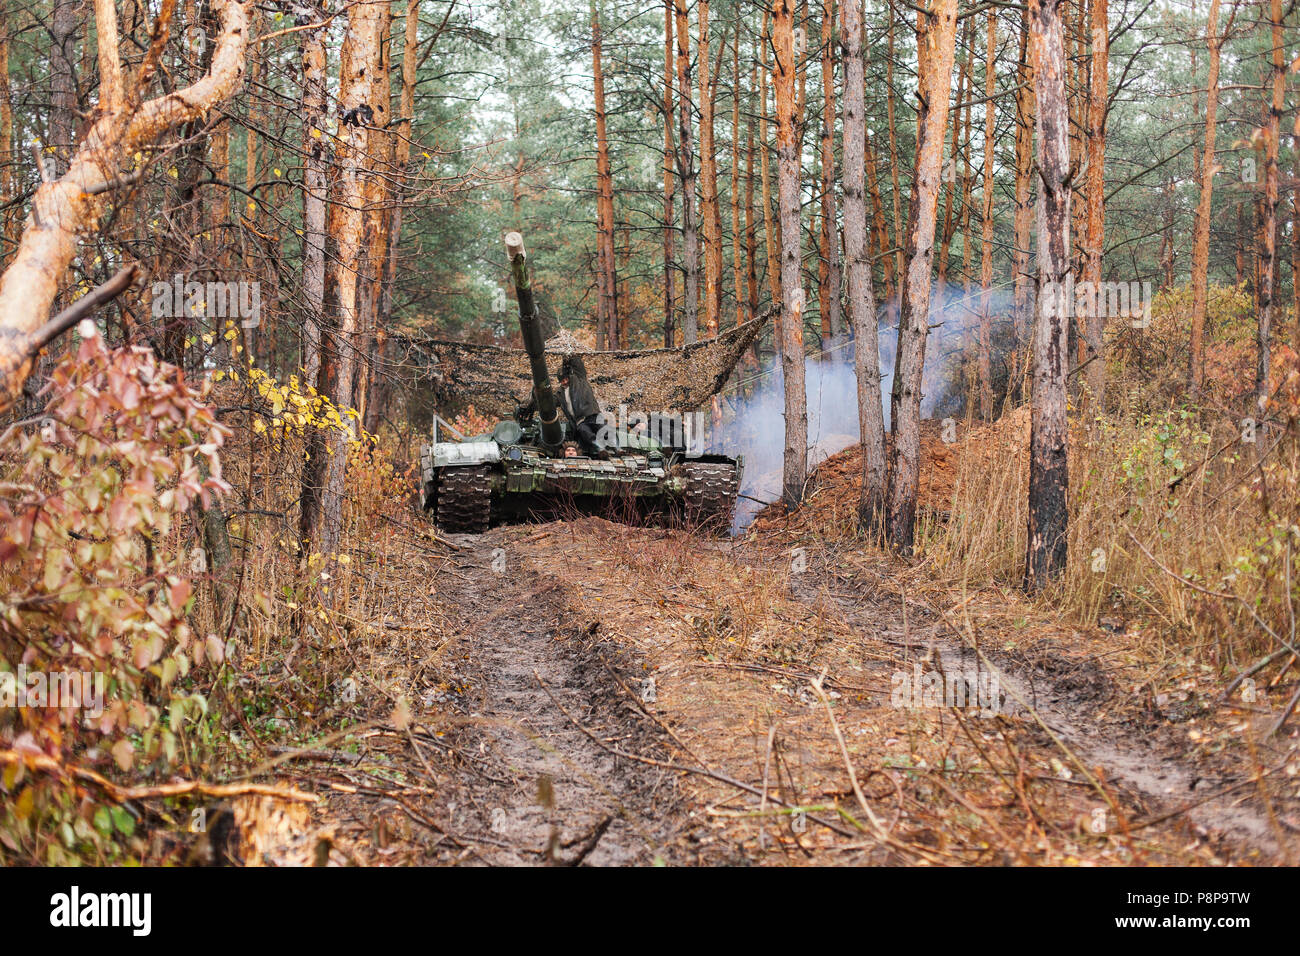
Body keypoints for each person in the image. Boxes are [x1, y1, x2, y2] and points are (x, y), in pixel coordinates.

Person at [557, 354, 603, 456]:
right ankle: (599, 447)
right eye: (561, 381)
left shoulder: (579, 380)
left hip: (591, 413)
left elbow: (579, 367)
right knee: (585, 432)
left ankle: (617, 448)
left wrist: (571, 360)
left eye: (565, 379)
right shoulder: (559, 393)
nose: (564, 382)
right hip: (579, 420)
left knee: (604, 429)